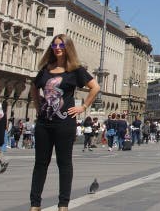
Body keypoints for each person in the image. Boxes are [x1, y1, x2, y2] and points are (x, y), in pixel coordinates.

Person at [29, 34, 100, 211]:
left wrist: (83, 107)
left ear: (68, 48)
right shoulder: (45, 69)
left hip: (64, 123)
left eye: (61, 45)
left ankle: (63, 204)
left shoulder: (75, 70)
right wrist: (38, 106)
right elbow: (34, 86)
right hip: (44, 123)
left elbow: (95, 87)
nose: (58, 48)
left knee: (64, 163)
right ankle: (35, 204)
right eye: (55, 45)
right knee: (40, 164)